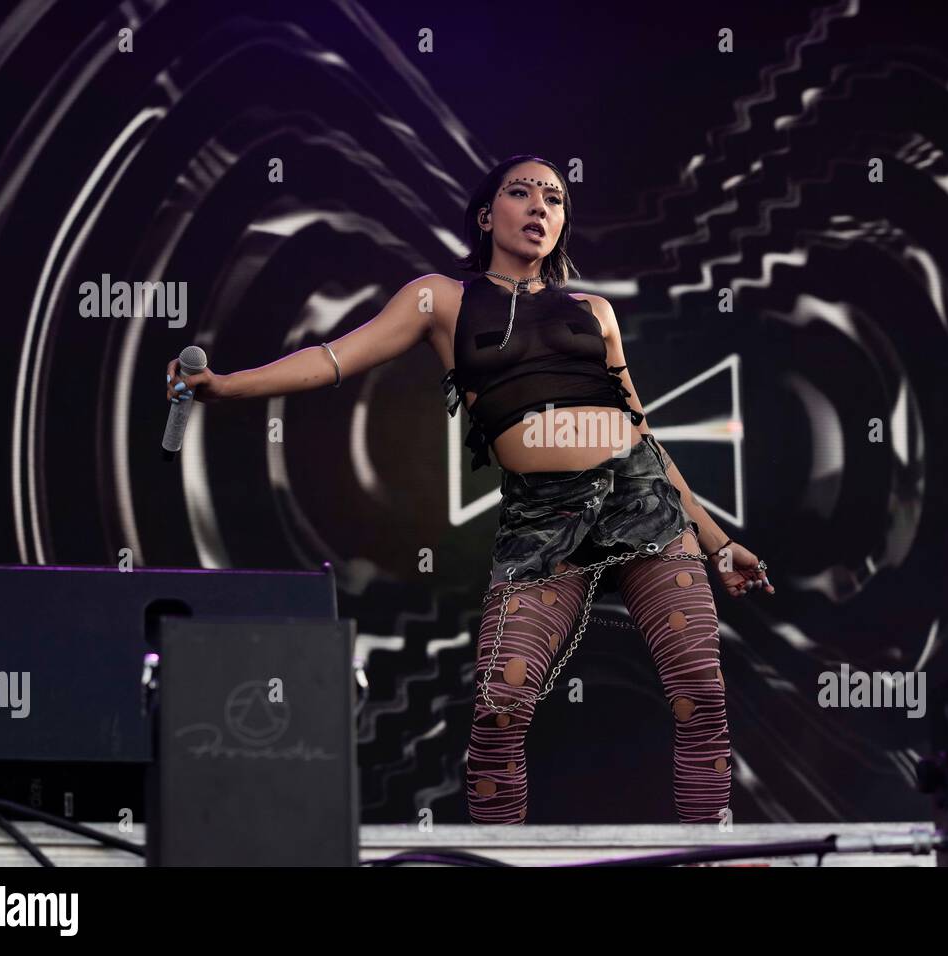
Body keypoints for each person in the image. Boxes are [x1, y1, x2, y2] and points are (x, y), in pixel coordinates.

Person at [165, 154, 773, 825]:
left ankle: (706, 855)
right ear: (486, 216)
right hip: (543, 518)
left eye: (555, 198)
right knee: (498, 709)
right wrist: (225, 387)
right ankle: (499, 859)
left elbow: (643, 434)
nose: (540, 206)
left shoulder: (593, 311)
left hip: (640, 499)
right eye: (522, 193)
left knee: (699, 689)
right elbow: (334, 358)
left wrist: (719, 542)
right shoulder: (440, 299)